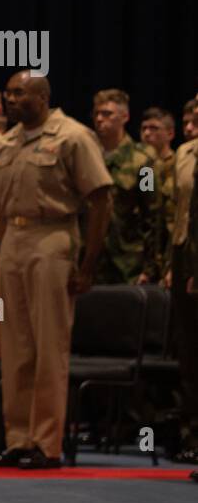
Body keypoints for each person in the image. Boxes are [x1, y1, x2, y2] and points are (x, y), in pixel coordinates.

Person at [0, 71, 111, 469]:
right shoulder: (5, 141)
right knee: (15, 346)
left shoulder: (72, 135)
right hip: (13, 242)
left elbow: (101, 200)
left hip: (52, 237)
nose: (9, 99)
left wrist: (87, 265)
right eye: (7, 93)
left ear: (41, 97)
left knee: (48, 347)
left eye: (18, 93)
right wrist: (0, 249)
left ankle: (47, 443)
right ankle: (19, 438)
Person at [91, 89, 160, 284]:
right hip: (91, 262)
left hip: (128, 263)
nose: (99, 119)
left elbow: (152, 215)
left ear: (125, 117)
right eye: (96, 113)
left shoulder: (143, 161)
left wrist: (150, 268)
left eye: (107, 114)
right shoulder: (88, 156)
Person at [165, 104, 198, 463]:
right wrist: (171, 263)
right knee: (188, 352)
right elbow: (174, 210)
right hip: (184, 250)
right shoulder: (184, 154)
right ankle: (192, 433)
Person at [141, 106, 177, 282]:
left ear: (170, 134)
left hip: (172, 248)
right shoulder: (146, 169)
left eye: (154, 128)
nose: (147, 133)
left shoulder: (179, 165)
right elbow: (148, 211)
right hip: (149, 251)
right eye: (144, 128)